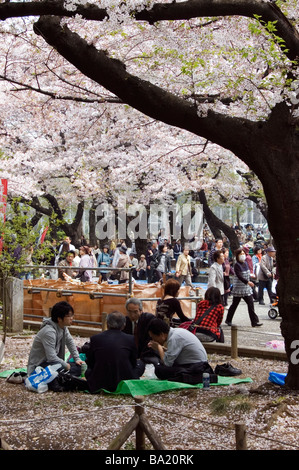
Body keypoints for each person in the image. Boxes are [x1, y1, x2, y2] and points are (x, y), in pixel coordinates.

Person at [27, 301, 84, 391]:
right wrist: (66, 365)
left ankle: (60, 378)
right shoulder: (49, 331)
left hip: (53, 363)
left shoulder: (63, 328)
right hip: (40, 366)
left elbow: (70, 343)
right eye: (69, 316)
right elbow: (51, 357)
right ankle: (58, 379)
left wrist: (77, 359)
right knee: (67, 369)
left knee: (79, 367)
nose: (72, 318)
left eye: (72, 315)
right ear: (59, 319)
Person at [85, 311, 145, 393]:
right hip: (124, 380)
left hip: (100, 381)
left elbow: (90, 362)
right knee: (140, 364)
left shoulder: (95, 338)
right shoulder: (130, 339)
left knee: (88, 371)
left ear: (107, 324)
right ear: (124, 325)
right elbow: (133, 362)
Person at [147, 318, 214, 383]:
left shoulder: (174, 338)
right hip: (198, 365)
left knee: (159, 370)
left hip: (197, 368)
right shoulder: (175, 333)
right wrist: (163, 350)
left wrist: (159, 348)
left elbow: (167, 364)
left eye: (153, 337)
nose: (153, 340)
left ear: (161, 334)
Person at [225, 248, 262, 327]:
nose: (243, 255)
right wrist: (248, 282)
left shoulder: (245, 263)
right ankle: (228, 319)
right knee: (234, 305)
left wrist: (251, 279)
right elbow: (239, 276)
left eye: (243, 254)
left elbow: (247, 274)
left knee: (250, 304)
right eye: (241, 254)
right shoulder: (237, 265)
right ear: (237, 256)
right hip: (238, 289)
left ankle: (254, 321)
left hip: (246, 289)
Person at [123, 298, 158, 363]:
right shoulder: (125, 322)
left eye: (135, 312)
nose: (132, 315)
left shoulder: (149, 319)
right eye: (129, 312)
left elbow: (150, 340)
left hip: (147, 354)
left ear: (141, 311)